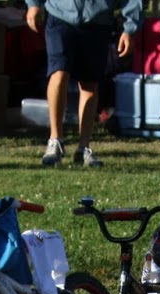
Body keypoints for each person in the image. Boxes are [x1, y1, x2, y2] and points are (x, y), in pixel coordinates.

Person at [25, 0, 139, 168]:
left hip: (98, 20)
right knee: (59, 73)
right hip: (59, 15)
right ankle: (55, 141)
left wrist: (130, 28)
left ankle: (83, 147)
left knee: (89, 83)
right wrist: (34, 4)